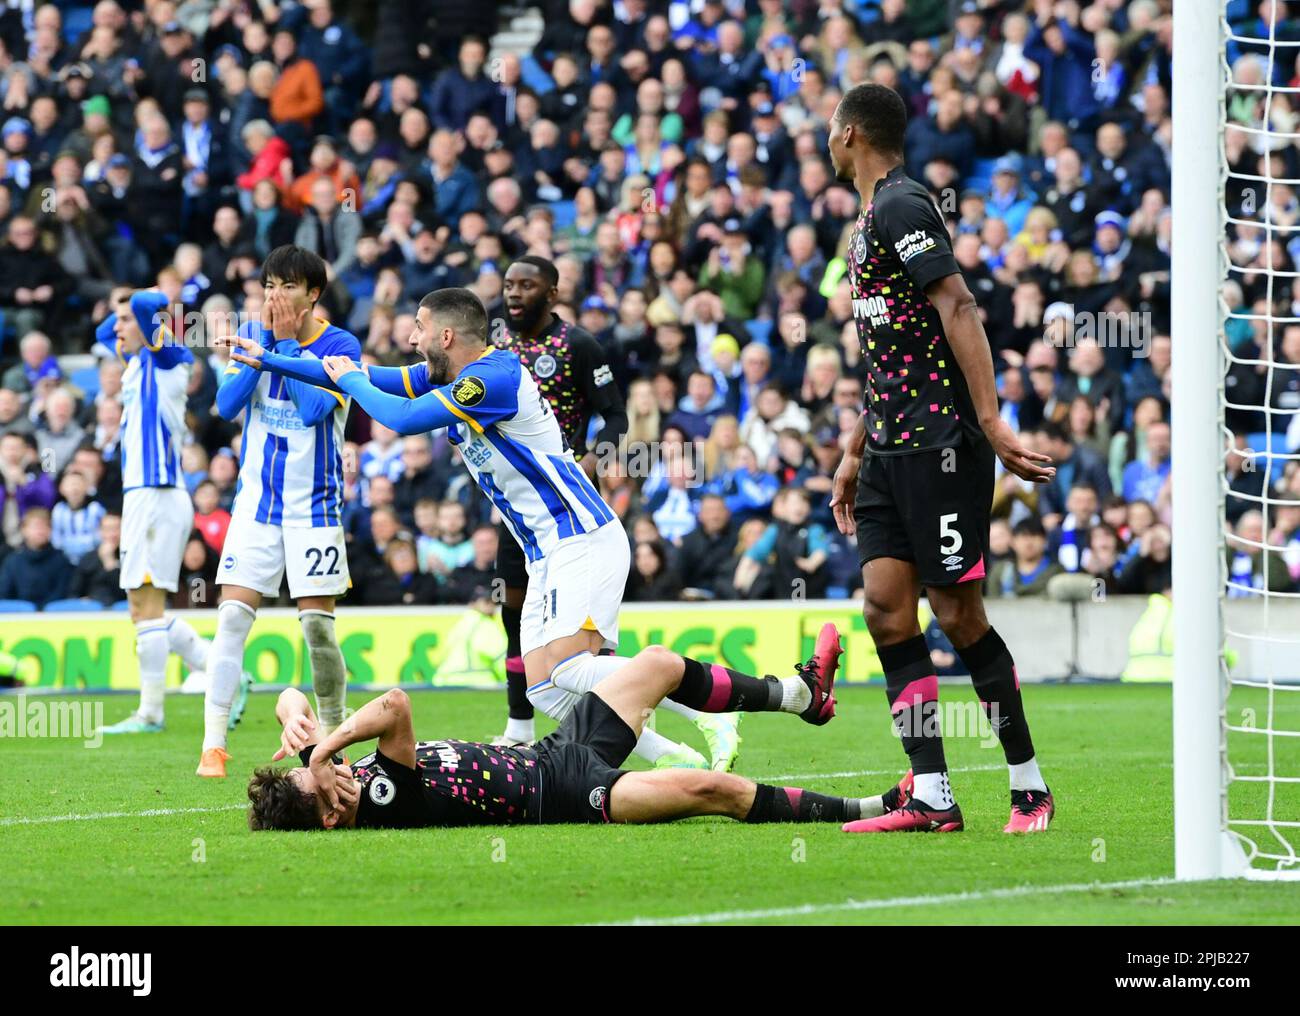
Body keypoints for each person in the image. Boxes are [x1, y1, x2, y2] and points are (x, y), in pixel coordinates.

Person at [234, 288, 764, 775]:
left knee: (572, 668)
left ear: (446, 336)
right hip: (547, 552)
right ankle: (674, 758)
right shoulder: (448, 375)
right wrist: (269, 359)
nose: (411, 339)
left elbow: (397, 416)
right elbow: (377, 378)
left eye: (418, 328)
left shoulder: (492, 378)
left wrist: (348, 378)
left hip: (580, 536)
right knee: (544, 689)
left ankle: (708, 711)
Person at [826, 83, 1056, 834]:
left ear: (851, 134)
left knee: (956, 614)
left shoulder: (900, 205)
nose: (827, 145)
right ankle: (932, 794)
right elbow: (893, 352)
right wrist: (855, 447)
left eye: (831, 133)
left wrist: (989, 422)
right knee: (887, 612)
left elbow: (957, 307)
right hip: (890, 449)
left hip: (942, 450)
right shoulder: (865, 222)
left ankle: (1029, 786)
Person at [247, 624, 863, 830]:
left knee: (658, 665)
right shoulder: (381, 798)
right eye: (325, 782)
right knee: (713, 790)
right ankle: (866, 807)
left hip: (555, 751)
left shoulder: (334, 772)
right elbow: (396, 704)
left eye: (324, 767)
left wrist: (298, 725)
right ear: (331, 815)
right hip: (563, 794)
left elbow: (292, 694)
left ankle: (799, 696)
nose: (336, 770)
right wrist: (326, 747)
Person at [202, 245, 361, 778]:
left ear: (313, 294)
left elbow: (317, 410)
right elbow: (226, 406)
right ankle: (213, 743)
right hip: (256, 507)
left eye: (287, 286)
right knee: (230, 618)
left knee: (318, 630)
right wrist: (265, 343)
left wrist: (286, 344)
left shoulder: (341, 343)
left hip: (314, 508)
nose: (274, 296)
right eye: (269, 285)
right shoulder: (254, 336)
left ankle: (335, 736)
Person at [95, 291, 225, 736]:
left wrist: (136, 304)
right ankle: (224, 672)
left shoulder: (171, 359)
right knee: (140, 607)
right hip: (143, 497)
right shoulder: (135, 364)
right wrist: (119, 314)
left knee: (147, 605)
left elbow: (152, 305)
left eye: (125, 321)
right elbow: (104, 329)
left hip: (158, 494)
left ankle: (151, 713)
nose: (117, 329)